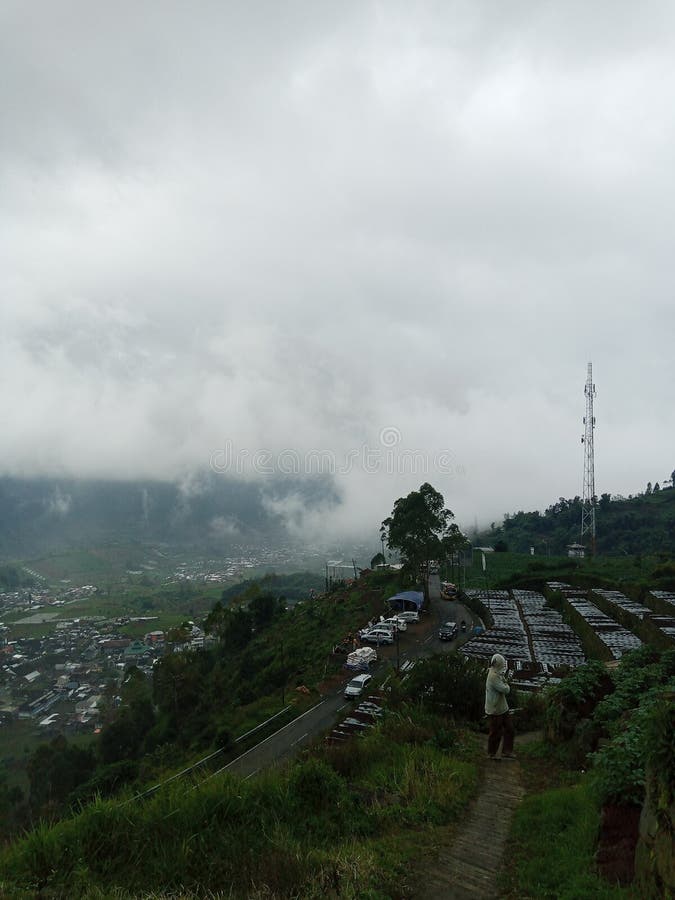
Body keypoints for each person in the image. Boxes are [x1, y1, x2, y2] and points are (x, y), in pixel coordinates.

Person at [485, 653, 515, 760]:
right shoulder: (493, 676)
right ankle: (491, 753)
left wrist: (504, 681)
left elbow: (503, 685)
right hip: (495, 709)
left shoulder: (496, 673)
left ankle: (507, 751)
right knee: (495, 733)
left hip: (502, 707)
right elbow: (505, 689)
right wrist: (506, 684)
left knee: (510, 729)